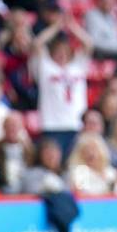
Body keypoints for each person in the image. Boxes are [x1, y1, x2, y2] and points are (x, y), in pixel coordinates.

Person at [31, 15, 92, 161]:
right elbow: (37, 44)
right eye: (58, 51)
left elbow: (88, 44)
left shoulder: (78, 67)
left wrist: (72, 27)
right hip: (52, 124)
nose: (62, 54)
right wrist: (56, 27)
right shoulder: (46, 68)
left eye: (65, 51)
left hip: (76, 124)